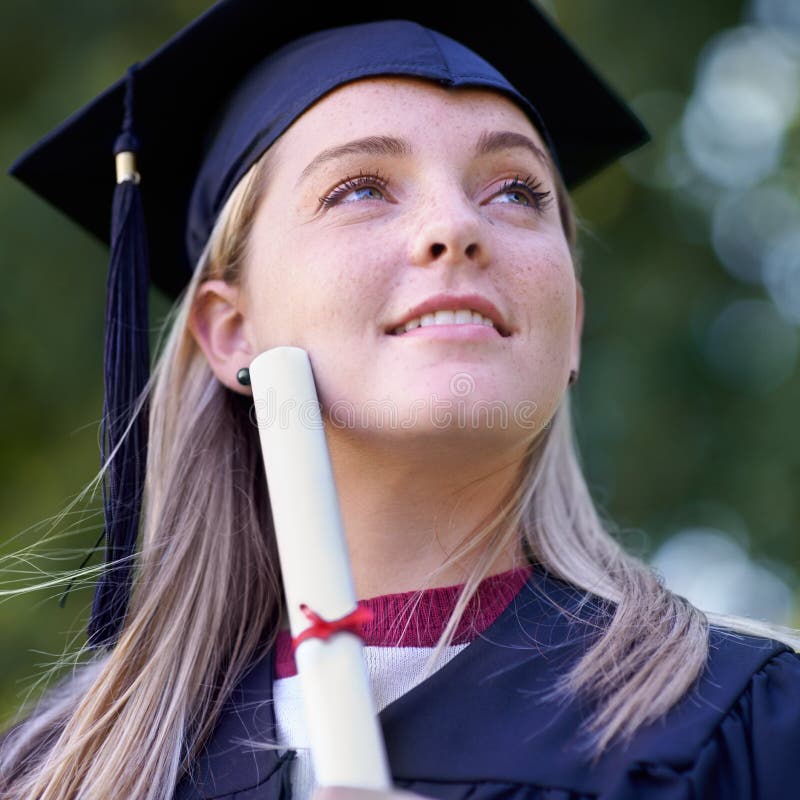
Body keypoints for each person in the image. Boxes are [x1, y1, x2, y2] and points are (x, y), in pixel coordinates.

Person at [1, 1, 799, 798]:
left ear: (573, 324)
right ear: (231, 331)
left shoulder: (750, 727)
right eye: (360, 188)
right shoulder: (58, 774)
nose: (457, 226)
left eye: (516, 191)